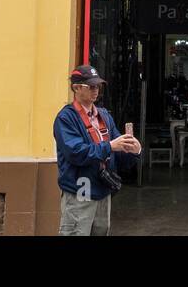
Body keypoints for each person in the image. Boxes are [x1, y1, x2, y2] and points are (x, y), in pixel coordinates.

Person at [54, 65, 140, 236]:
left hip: (103, 189)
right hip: (80, 190)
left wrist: (133, 151)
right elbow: (76, 152)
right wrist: (110, 146)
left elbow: (118, 151)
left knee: (101, 231)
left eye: (98, 86)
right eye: (91, 86)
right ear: (76, 88)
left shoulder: (104, 116)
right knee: (77, 232)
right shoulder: (66, 117)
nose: (96, 91)